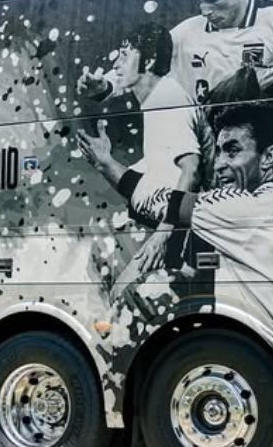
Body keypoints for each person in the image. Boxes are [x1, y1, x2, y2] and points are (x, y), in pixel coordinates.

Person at [80, 102, 273, 436]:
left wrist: (106, 162)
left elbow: (157, 200)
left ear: (269, 157)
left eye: (232, 151)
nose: (219, 164)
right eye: (218, 151)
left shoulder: (237, 208)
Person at [82, 23, 203, 273]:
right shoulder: (157, 102)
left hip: (189, 247)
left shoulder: (167, 100)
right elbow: (141, 190)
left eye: (124, 56)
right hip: (180, 248)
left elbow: (192, 170)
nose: (115, 66)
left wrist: (163, 235)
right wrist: (105, 162)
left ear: (147, 62)